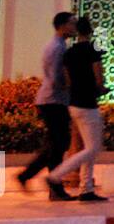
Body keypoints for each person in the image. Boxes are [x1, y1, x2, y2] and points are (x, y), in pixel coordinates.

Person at [46, 17, 109, 202]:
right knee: (92, 148)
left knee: (89, 148)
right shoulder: (93, 51)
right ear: (90, 31)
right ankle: (56, 175)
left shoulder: (69, 52)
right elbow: (99, 78)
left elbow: (67, 82)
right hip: (88, 104)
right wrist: (101, 89)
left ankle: (86, 189)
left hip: (74, 104)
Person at [18, 12, 77, 197]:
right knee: (58, 144)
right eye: (72, 23)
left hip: (54, 100)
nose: (75, 27)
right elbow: (56, 78)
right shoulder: (57, 48)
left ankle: (51, 185)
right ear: (62, 26)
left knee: (57, 145)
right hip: (53, 101)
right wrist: (72, 86)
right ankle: (47, 183)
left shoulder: (58, 46)